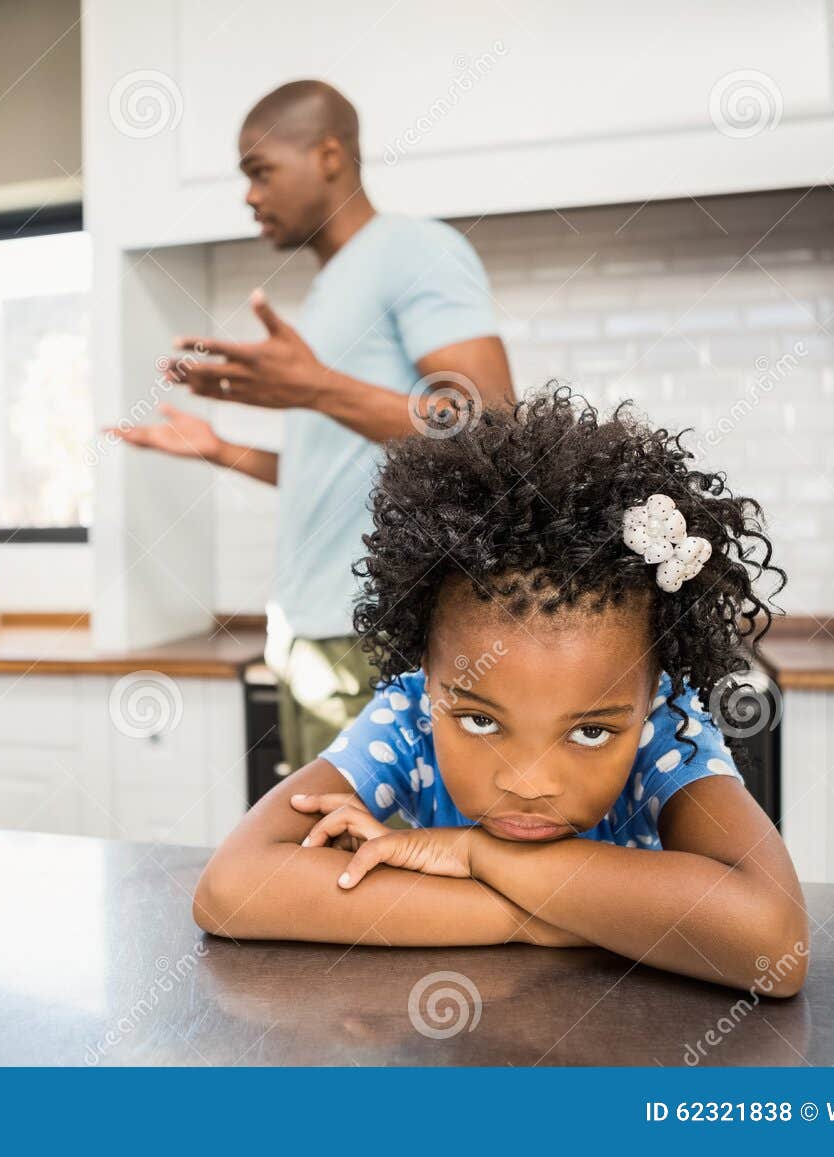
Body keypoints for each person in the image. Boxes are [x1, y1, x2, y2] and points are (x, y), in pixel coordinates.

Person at [192, 387, 809, 996]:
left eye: (590, 732)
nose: (528, 780)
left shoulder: (665, 729)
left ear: (651, 697)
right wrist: (547, 919)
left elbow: (774, 942)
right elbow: (232, 890)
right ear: (425, 675)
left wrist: (475, 857)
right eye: (481, 721)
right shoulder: (411, 717)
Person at [110, 80, 514, 770]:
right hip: (309, 635)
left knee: (372, 865)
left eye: (259, 171)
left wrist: (316, 387)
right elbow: (340, 468)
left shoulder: (416, 250)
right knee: (321, 866)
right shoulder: (330, 288)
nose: (248, 196)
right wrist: (219, 449)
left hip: (374, 633)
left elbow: (493, 431)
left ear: (329, 155)